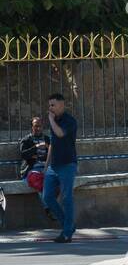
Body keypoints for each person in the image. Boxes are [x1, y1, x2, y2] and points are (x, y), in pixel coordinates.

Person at [42, 91, 78, 243]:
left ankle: (67, 233)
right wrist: (46, 165)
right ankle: (67, 226)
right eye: (49, 105)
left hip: (67, 165)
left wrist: (51, 120)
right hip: (54, 166)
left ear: (62, 105)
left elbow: (60, 134)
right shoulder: (54, 120)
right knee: (47, 197)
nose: (50, 108)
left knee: (67, 198)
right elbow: (52, 143)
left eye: (53, 105)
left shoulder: (69, 121)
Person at [19, 116, 50, 180]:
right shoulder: (26, 140)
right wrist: (36, 147)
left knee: (56, 177)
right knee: (39, 178)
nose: (38, 128)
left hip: (46, 167)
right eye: (36, 126)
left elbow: (53, 154)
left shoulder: (47, 139)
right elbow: (23, 155)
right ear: (32, 127)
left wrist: (40, 156)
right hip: (32, 168)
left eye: (40, 126)